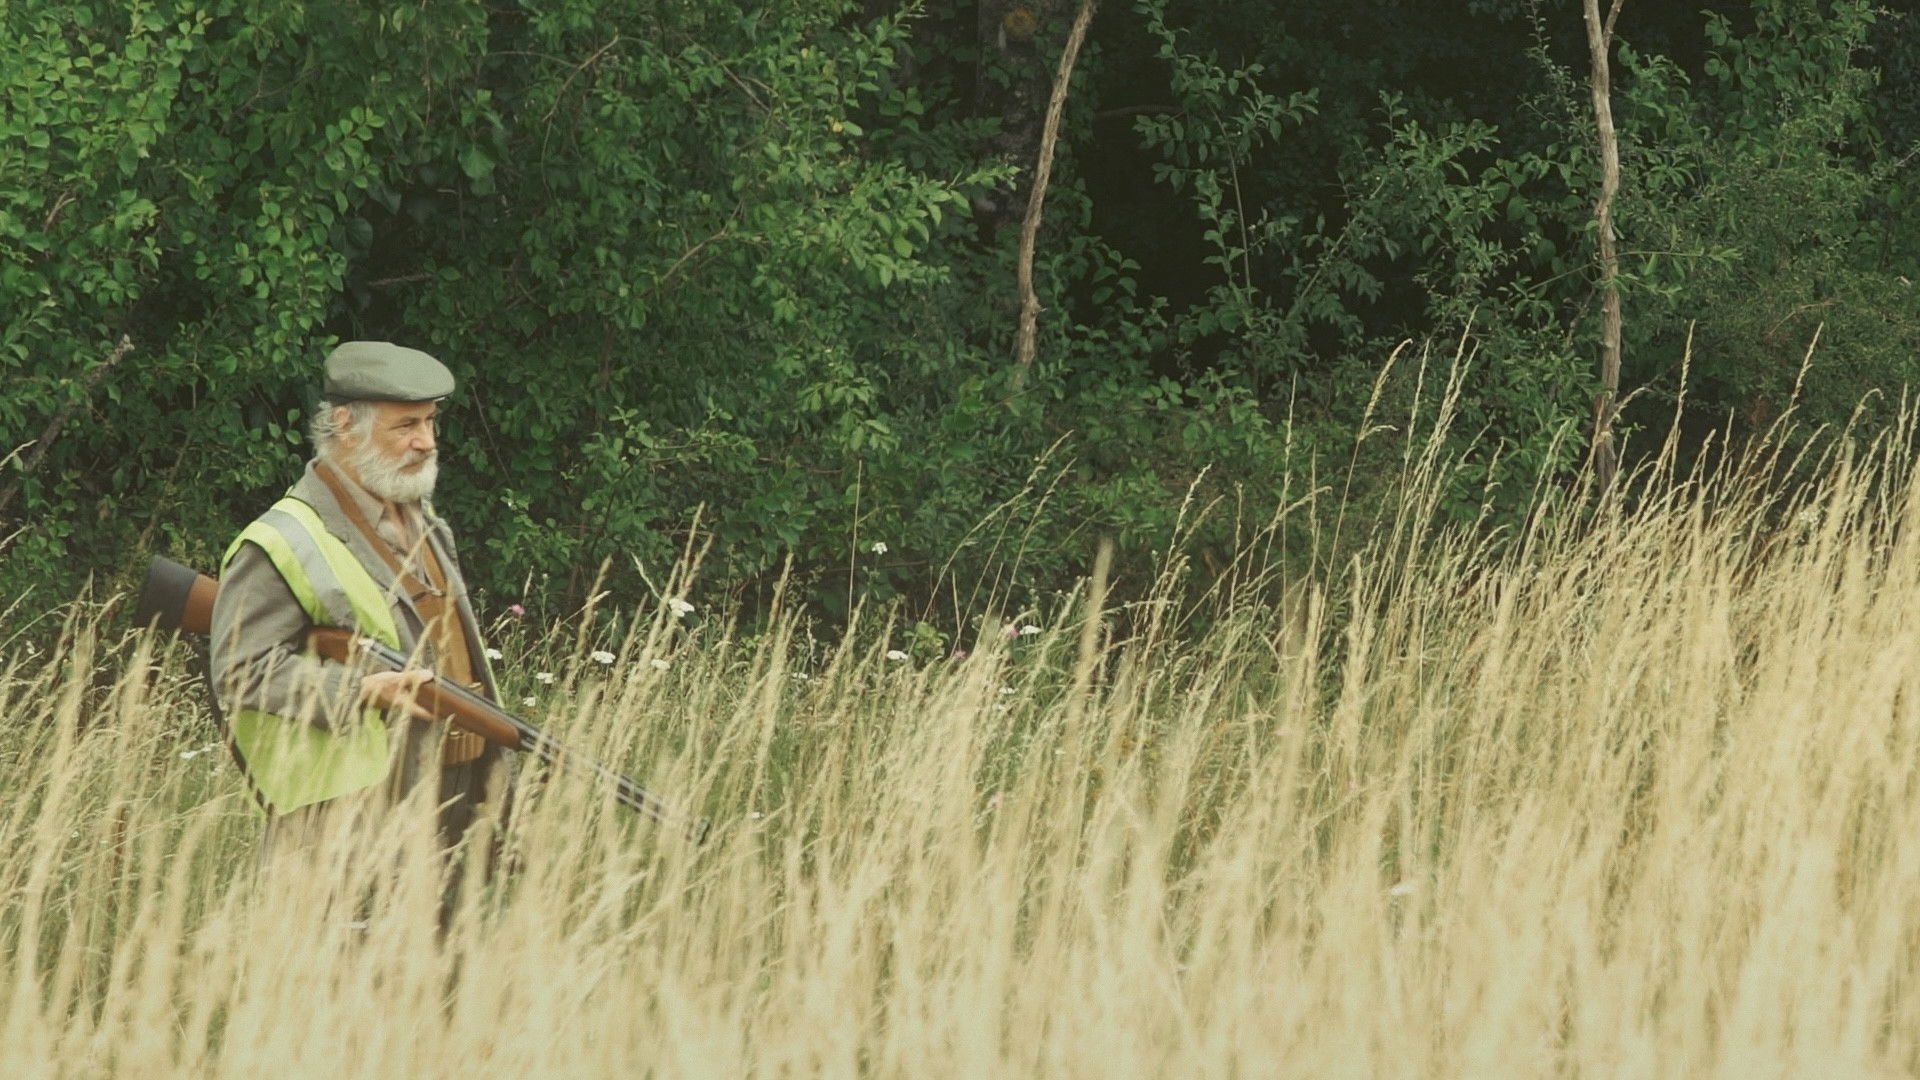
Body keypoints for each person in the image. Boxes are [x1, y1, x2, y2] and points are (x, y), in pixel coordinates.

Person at [209, 341, 509, 891]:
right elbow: (239, 671)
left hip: (453, 793)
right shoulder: (282, 539)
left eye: (431, 422)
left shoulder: (423, 524)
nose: (427, 441)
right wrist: (360, 689)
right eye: (407, 426)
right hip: (354, 821)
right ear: (345, 425)